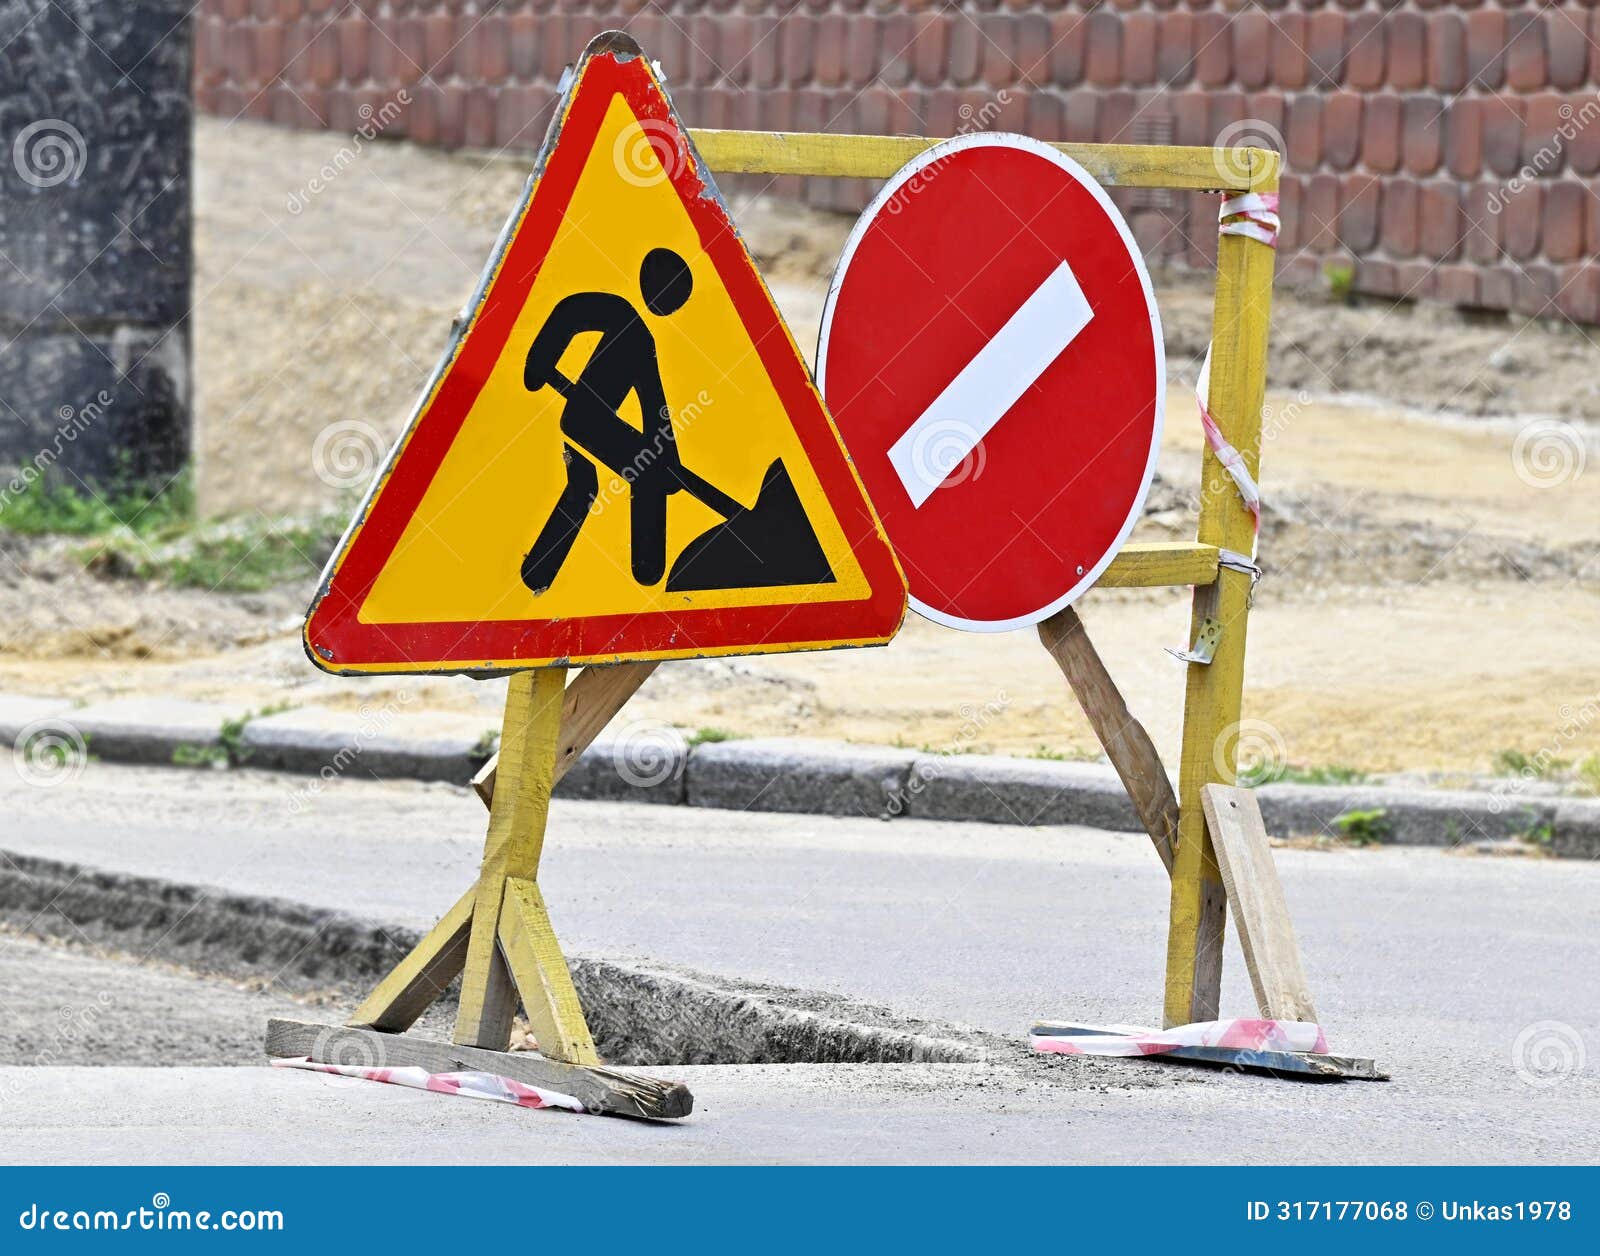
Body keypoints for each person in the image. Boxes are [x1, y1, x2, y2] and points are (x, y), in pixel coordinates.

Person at [520, 247, 694, 593]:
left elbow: (653, 399)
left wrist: (668, 452)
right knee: (646, 475)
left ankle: (537, 576)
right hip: (585, 419)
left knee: (585, 485)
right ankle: (648, 567)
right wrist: (538, 365)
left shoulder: (641, 337)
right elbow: (569, 314)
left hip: (585, 423)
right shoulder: (624, 317)